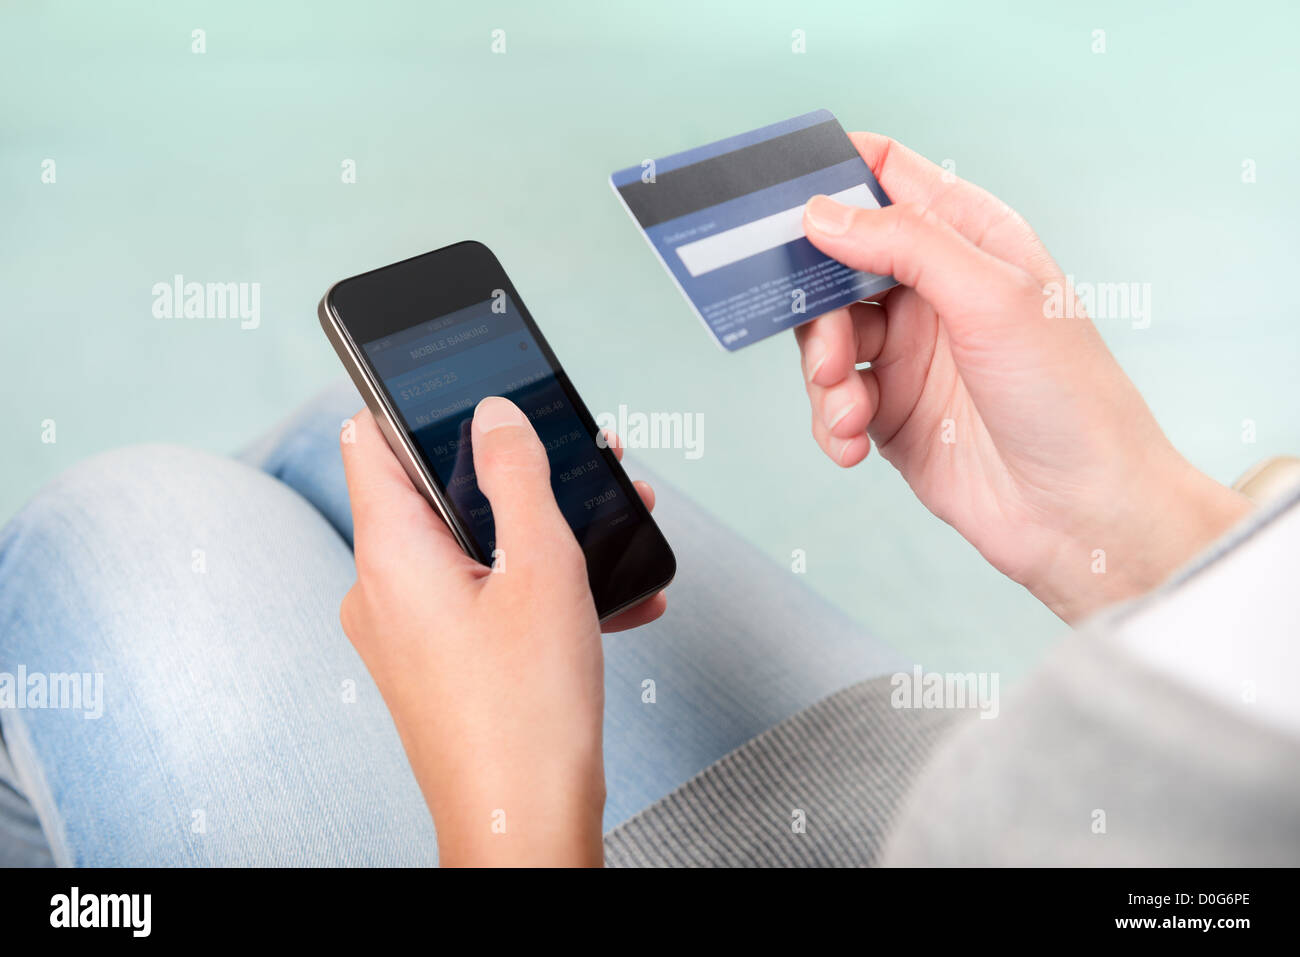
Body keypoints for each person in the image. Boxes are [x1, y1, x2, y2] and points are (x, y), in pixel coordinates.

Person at [1, 134, 1294, 867]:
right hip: (991, 792)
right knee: (331, 454)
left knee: (129, 523)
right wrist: (1133, 531)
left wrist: (510, 801)